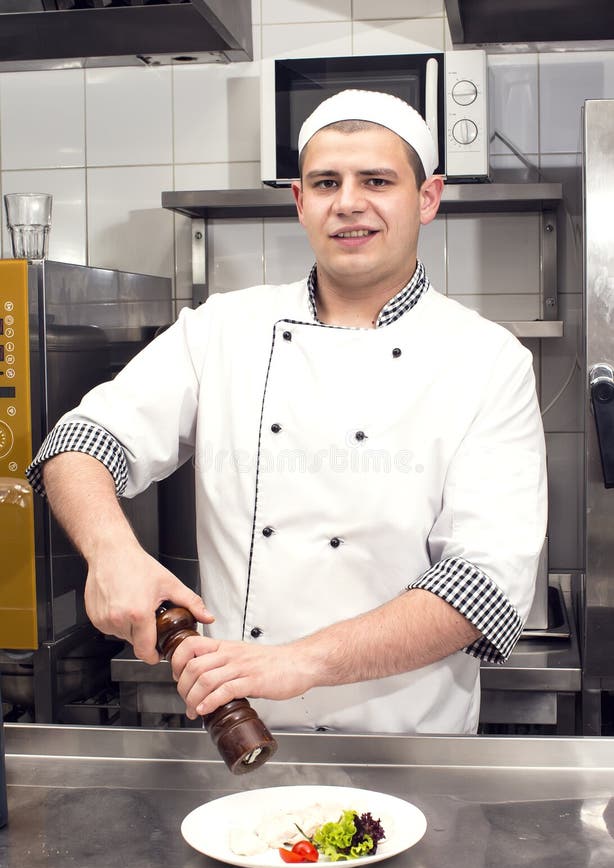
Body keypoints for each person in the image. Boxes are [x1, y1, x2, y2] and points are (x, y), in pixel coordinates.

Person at [26, 89, 547, 735]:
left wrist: (304, 662)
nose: (349, 202)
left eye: (377, 181)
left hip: (411, 746)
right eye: (326, 182)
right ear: (301, 202)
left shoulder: (487, 359)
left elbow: (483, 586)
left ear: (428, 198)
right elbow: (81, 439)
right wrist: (111, 552)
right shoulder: (224, 327)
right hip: (245, 733)